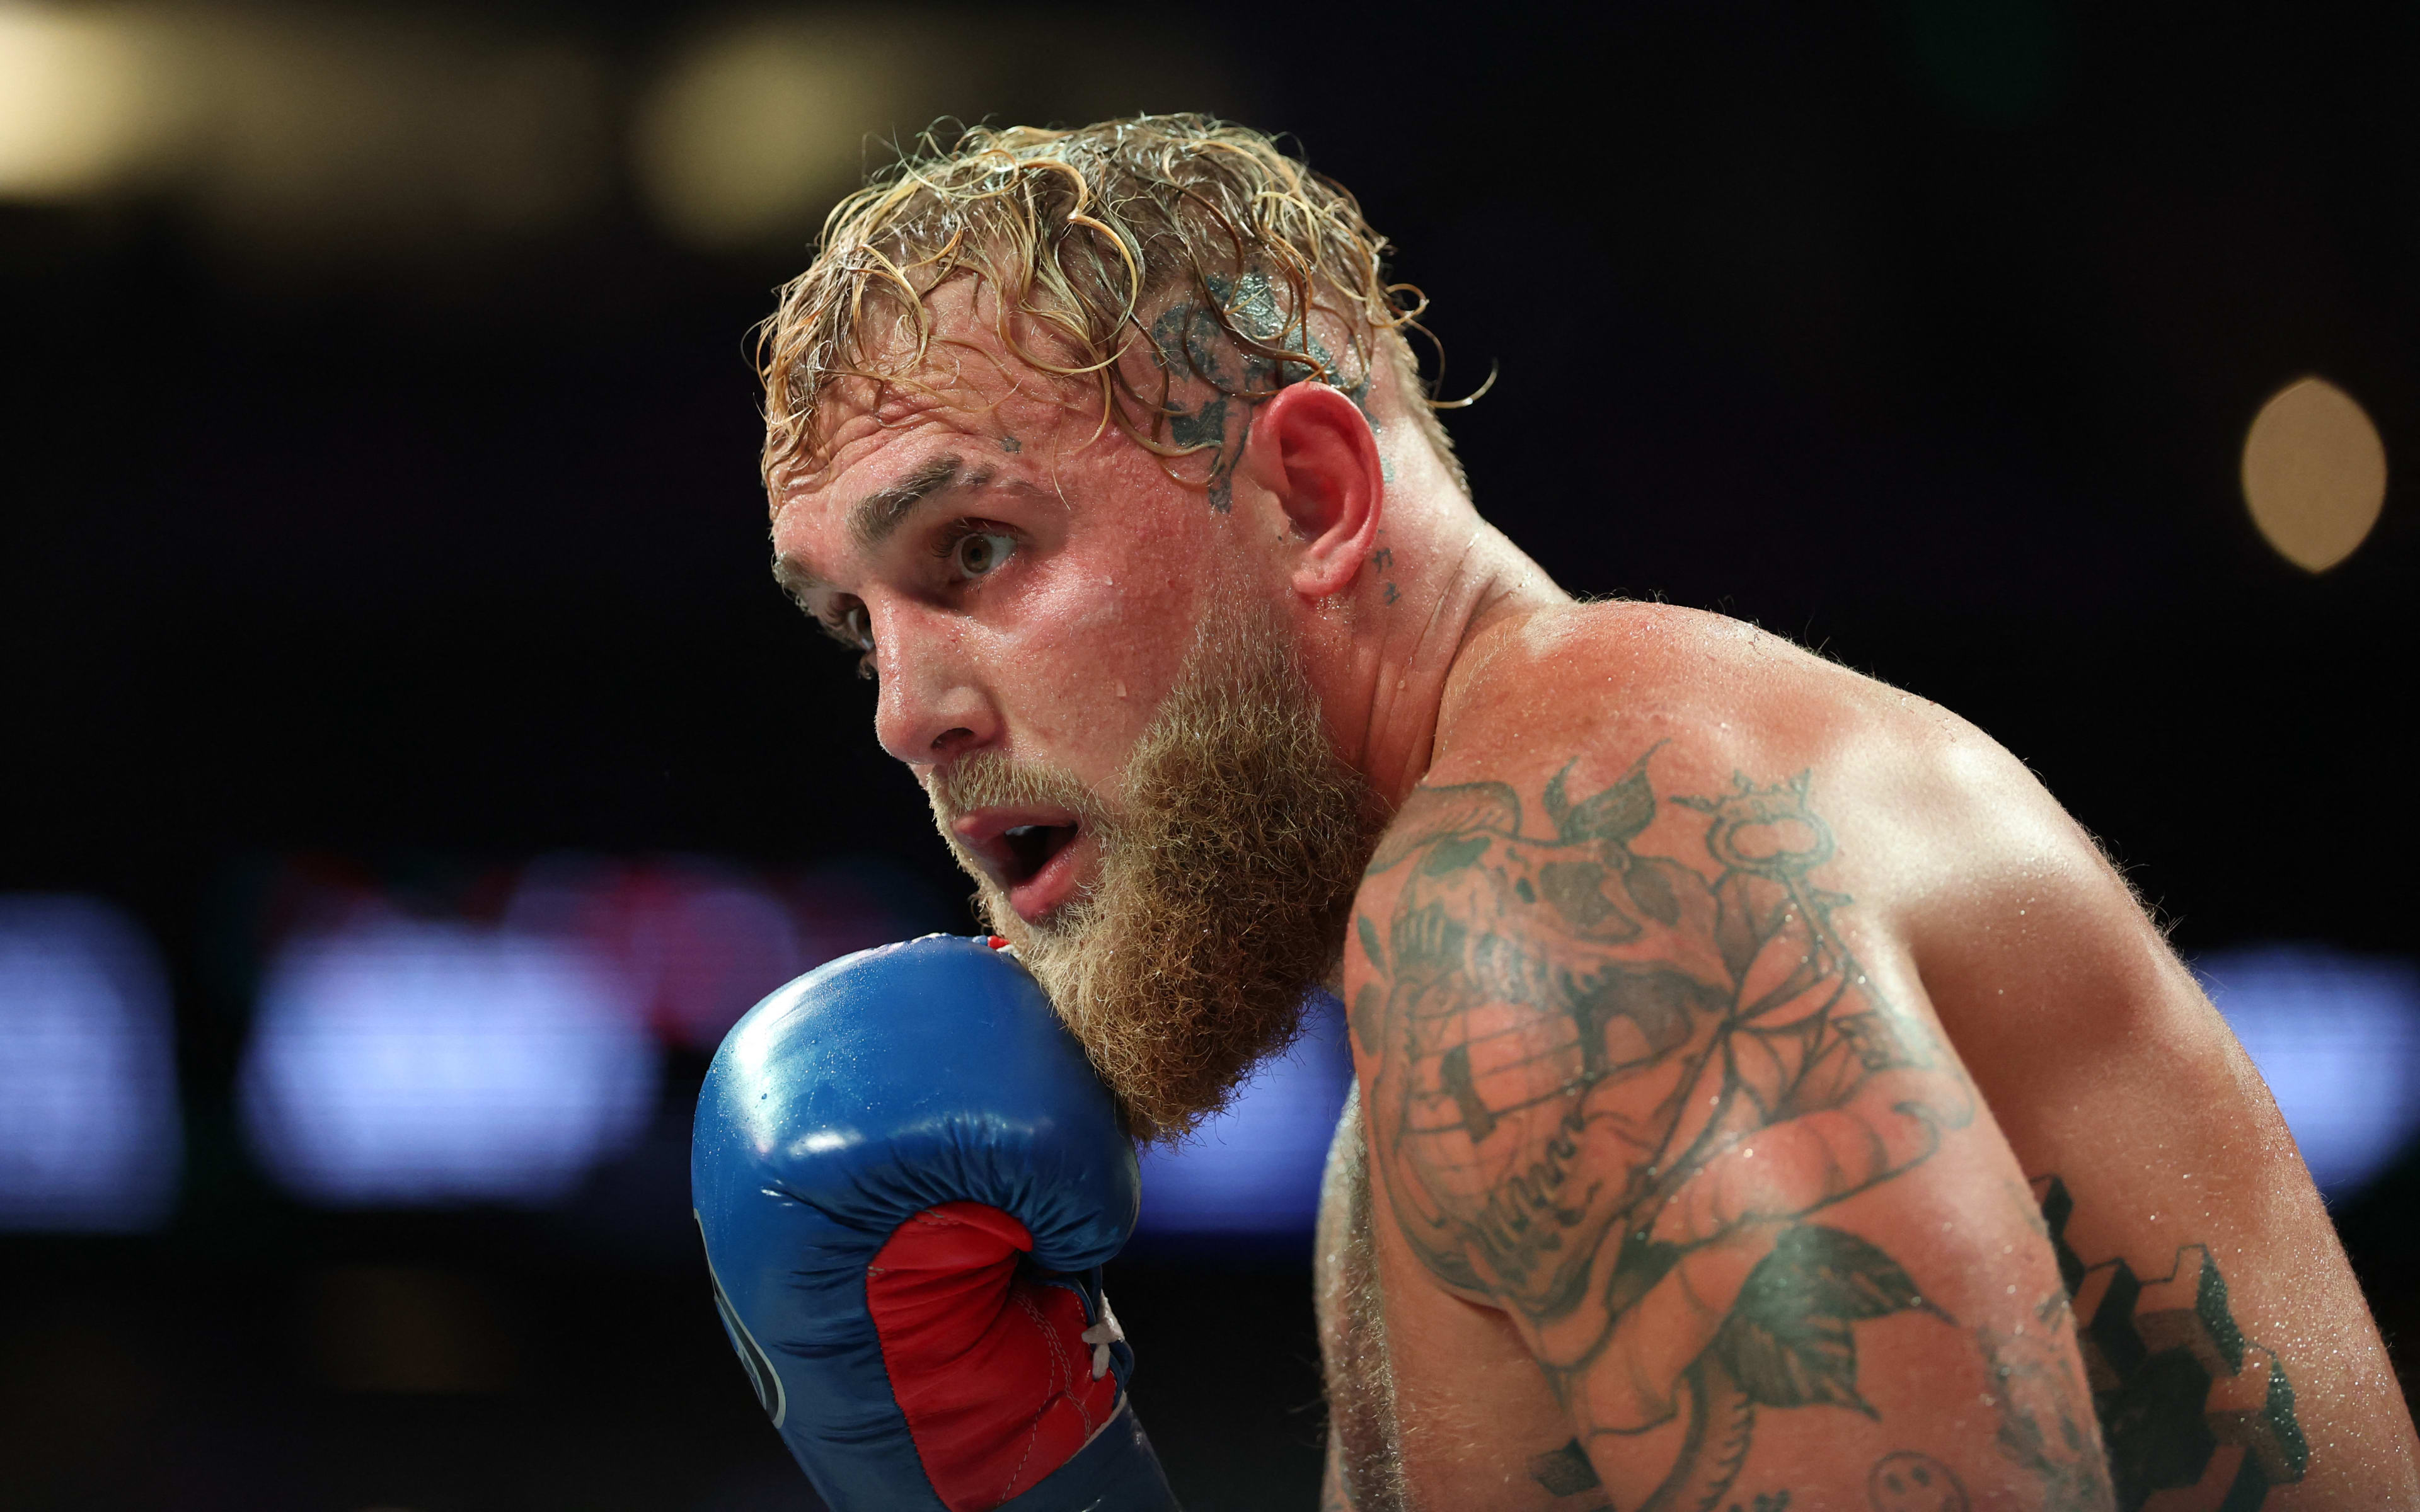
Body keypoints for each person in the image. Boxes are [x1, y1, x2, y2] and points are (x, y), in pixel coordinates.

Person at [742, 115, 2418, 1509]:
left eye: (976, 549)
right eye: (852, 624)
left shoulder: (1576, 899)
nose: (907, 714)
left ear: (1314, 498)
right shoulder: (1473, 969)